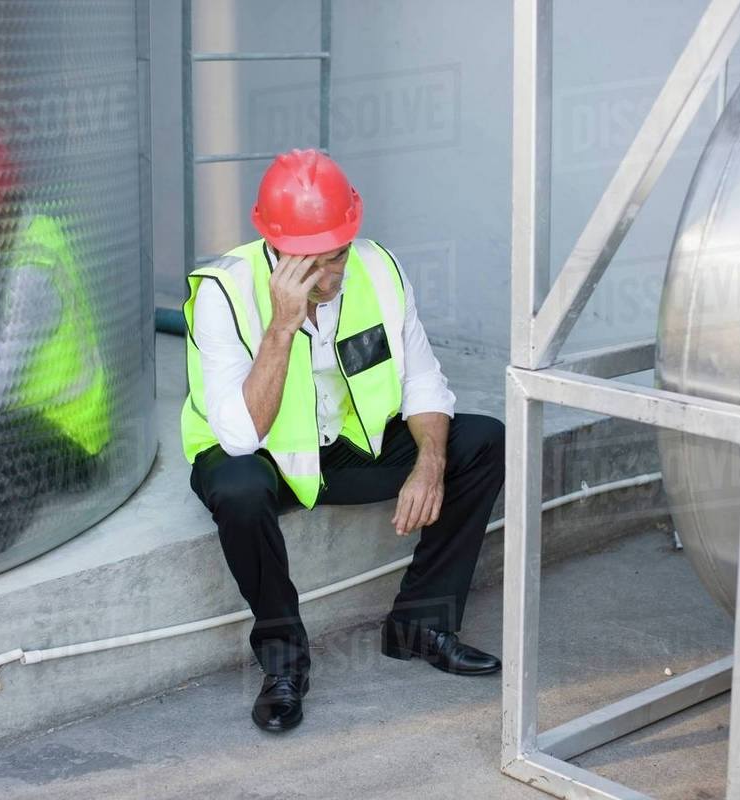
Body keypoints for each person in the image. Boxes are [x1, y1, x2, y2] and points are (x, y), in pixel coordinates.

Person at [181, 148, 506, 733]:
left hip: (344, 449)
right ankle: (284, 663)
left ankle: (420, 625)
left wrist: (429, 463)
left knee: (481, 440)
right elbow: (238, 436)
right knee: (238, 488)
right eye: (311, 265)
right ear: (277, 249)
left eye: (336, 257)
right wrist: (283, 323)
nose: (329, 278)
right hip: (265, 458)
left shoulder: (378, 269)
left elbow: (423, 378)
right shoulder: (223, 292)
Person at [0, 129, 110, 554]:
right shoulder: (42, 231)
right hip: (76, 429)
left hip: (73, 448)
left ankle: (2, 558)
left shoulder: (30, 273)